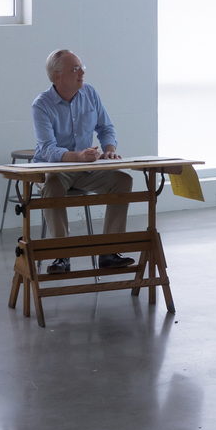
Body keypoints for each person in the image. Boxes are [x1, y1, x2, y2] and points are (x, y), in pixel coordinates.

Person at [31, 49, 133, 273]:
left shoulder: (90, 93)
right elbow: (48, 149)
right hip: (55, 168)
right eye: (75, 69)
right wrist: (77, 156)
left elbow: (106, 127)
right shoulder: (41, 105)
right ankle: (61, 255)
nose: (82, 72)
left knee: (122, 181)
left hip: (86, 168)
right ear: (57, 76)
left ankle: (109, 251)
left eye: (81, 66)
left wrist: (109, 150)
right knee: (52, 183)